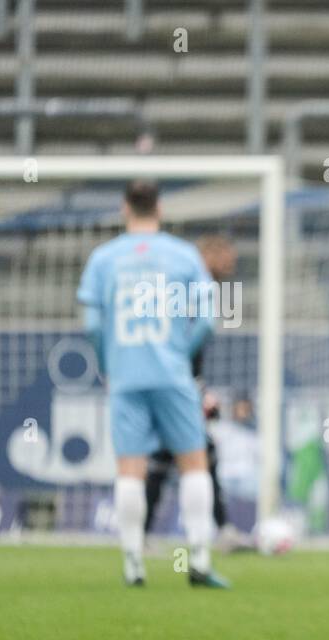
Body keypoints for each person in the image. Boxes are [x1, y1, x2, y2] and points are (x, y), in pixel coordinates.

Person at [78, 180, 229, 588]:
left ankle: (133, 564)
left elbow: (92, 323)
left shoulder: (104, 258)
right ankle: (198, 560)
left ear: (124, 208)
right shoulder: (182, 255)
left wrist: (110, 362)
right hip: (172, 372)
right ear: (159, 208)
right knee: (193, 461)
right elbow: (208, 320)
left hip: (126, 372)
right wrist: (180, 353)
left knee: (130, 467)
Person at [144, 236, 238, 548]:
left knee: (171, 459)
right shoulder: (186, 295)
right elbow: (180, 349)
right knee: (192, 458)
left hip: (177, 385)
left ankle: (144, 536)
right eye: (223, 254)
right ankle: (212, 538)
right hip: (173, 387)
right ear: (205, 256)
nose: (230, 261)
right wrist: (192, 392)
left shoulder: (193, 293)